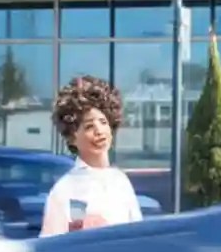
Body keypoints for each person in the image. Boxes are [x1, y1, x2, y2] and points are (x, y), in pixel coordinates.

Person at [39, 75, 144, 237]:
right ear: (72, 137)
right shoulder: (68, 189)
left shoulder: (120, 181)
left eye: (103, 122)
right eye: (89, 126)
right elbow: (54, 245)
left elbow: (138, 235)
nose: (99, 131)